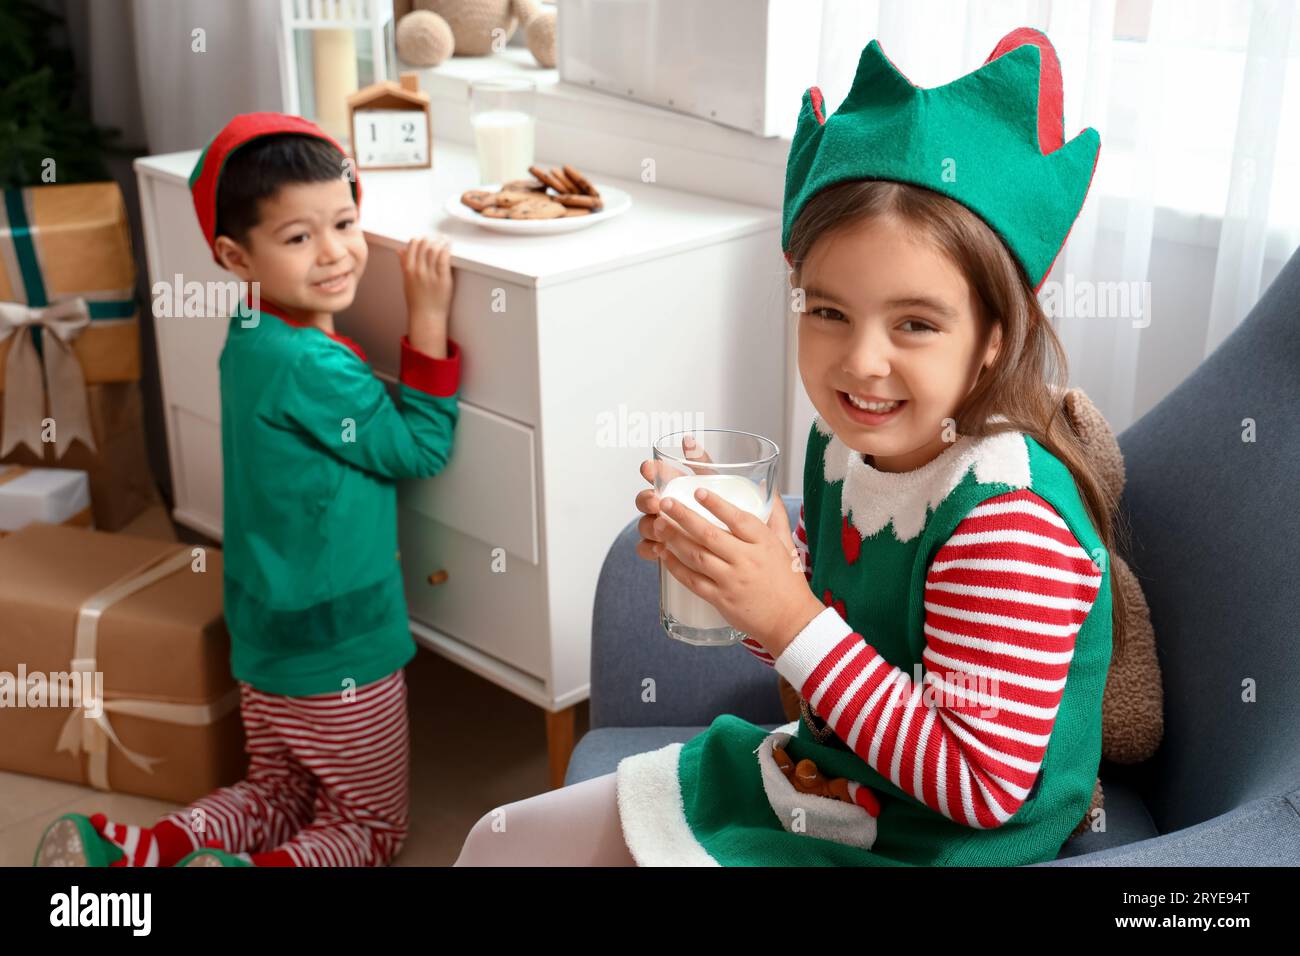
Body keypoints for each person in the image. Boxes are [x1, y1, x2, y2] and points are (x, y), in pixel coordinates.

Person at [455, 27, 1129, 867]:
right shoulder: (840, 449)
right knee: (499, 837)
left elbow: (981, 784)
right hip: (827, 775)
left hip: (932, 839)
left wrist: (787, 611)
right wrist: (742, 574)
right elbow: (825, 634)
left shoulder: (1007, 525)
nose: (860, 361)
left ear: (995, 337)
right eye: (827, 311)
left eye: (915, 323)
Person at [34, 113, 462, 868]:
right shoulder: (315, 365)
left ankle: (130, 848)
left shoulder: (250, 331)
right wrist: (427, 315)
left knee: (275, 794)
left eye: (344, 222)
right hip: (341, 644)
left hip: (263, 634)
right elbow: (420, 449)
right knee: (367, 828)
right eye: (299, 238)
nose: (334, 252)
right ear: (236, 254)